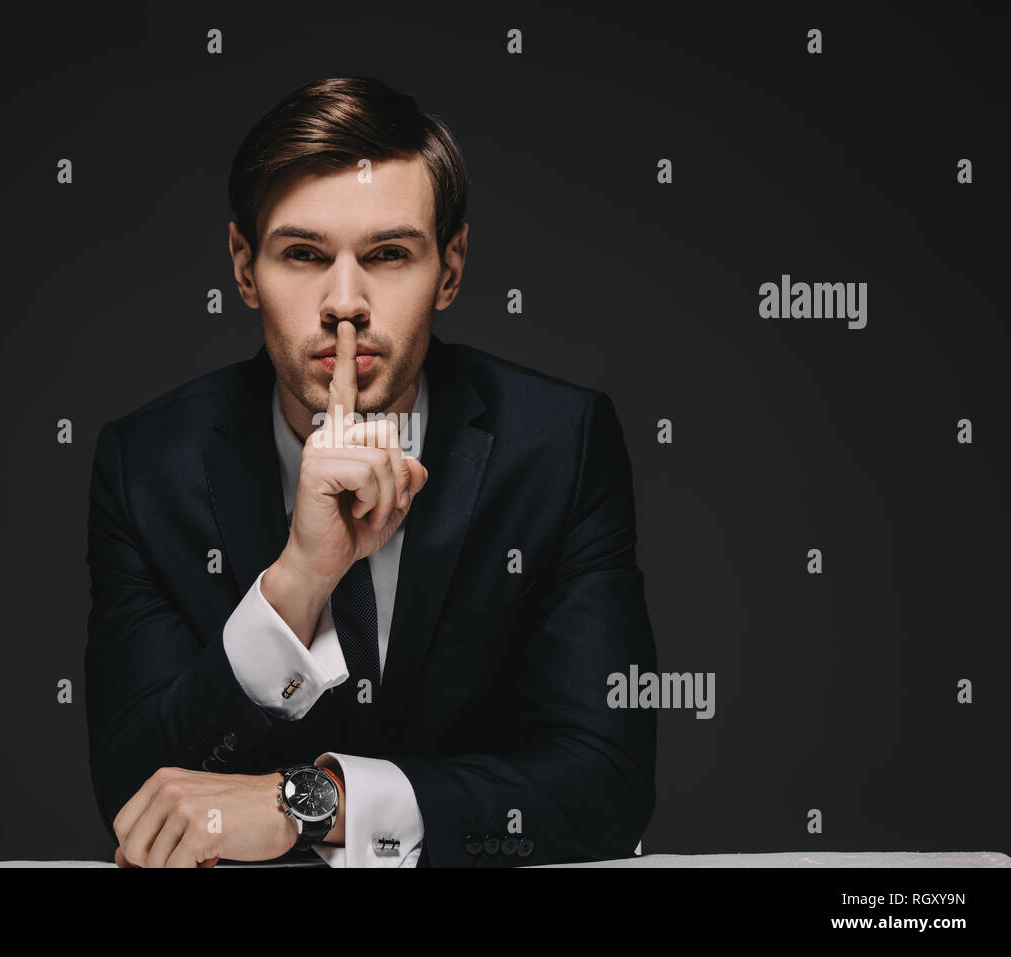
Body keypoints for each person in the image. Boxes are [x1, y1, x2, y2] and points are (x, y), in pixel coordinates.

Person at [84, 76, 657, 868]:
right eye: (302, 254)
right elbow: (133, 797)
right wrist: (295, 585)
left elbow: (608, 781)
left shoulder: (559, 444)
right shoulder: (147, 466)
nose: (344, 304)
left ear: (450, 269)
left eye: (389, 255)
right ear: (244, 268)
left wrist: (311, 804)